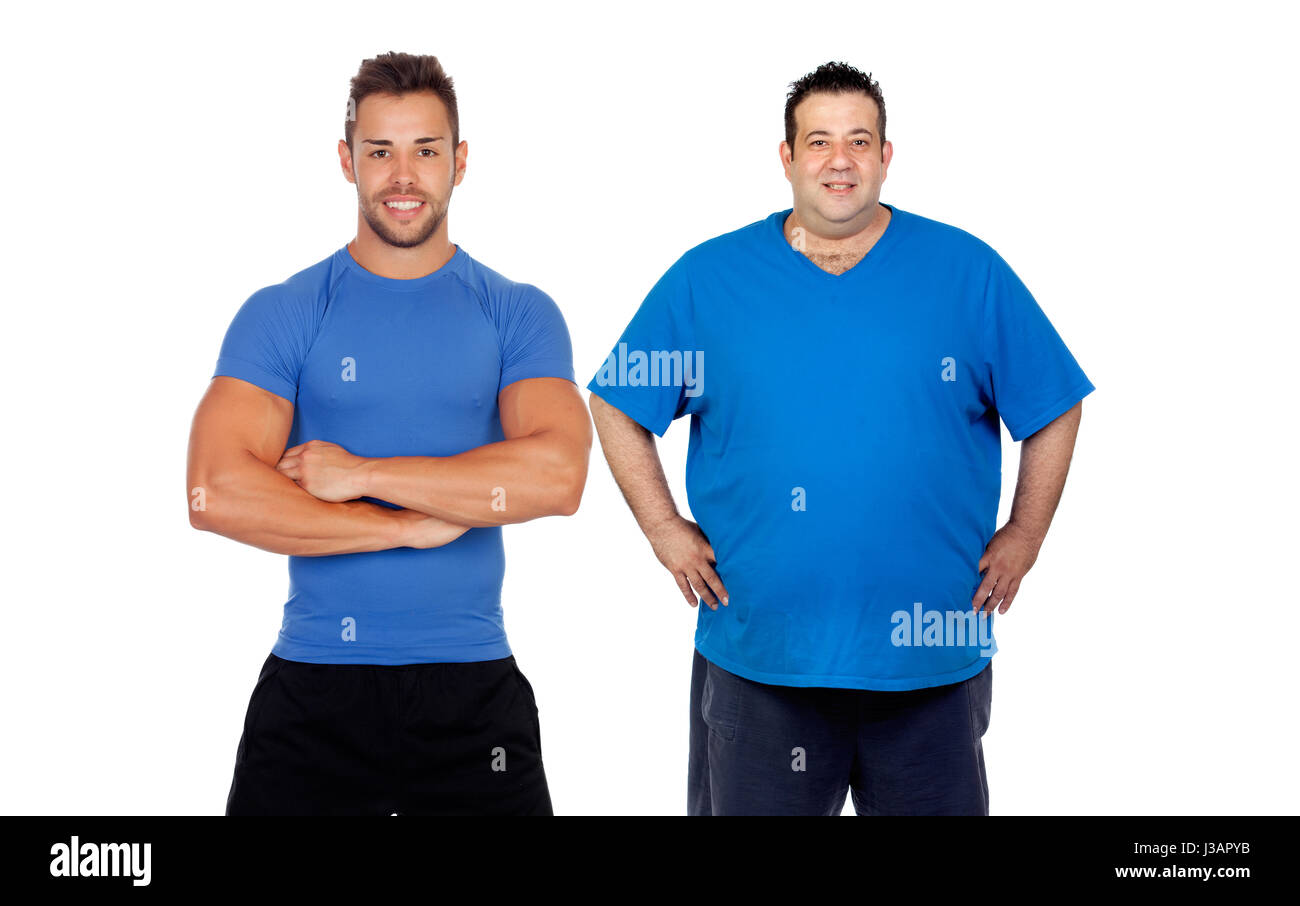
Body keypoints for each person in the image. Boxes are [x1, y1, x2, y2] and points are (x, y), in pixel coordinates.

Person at [587, 61, 1093, 815]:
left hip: (930, 657)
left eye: (860, 140)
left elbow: (1053, 403)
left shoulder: (965, 271)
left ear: (887, 157)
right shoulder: (710, 280)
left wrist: (1026, 531)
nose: (840, 159)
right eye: (818, 140)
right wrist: (663, 529)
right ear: (786, 158)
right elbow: (617, 401)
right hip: (763, 657)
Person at [188, 51, 591, 815]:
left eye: (425, 151)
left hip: (474, 695)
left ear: (460, 162)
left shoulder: (518, 312)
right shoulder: (285, 311)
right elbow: (214, 491)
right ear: (347, 161)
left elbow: (558, 476)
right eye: (380, 152)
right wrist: (404, 528)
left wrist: (362, 474)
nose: (402, 175)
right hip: (313, 693)